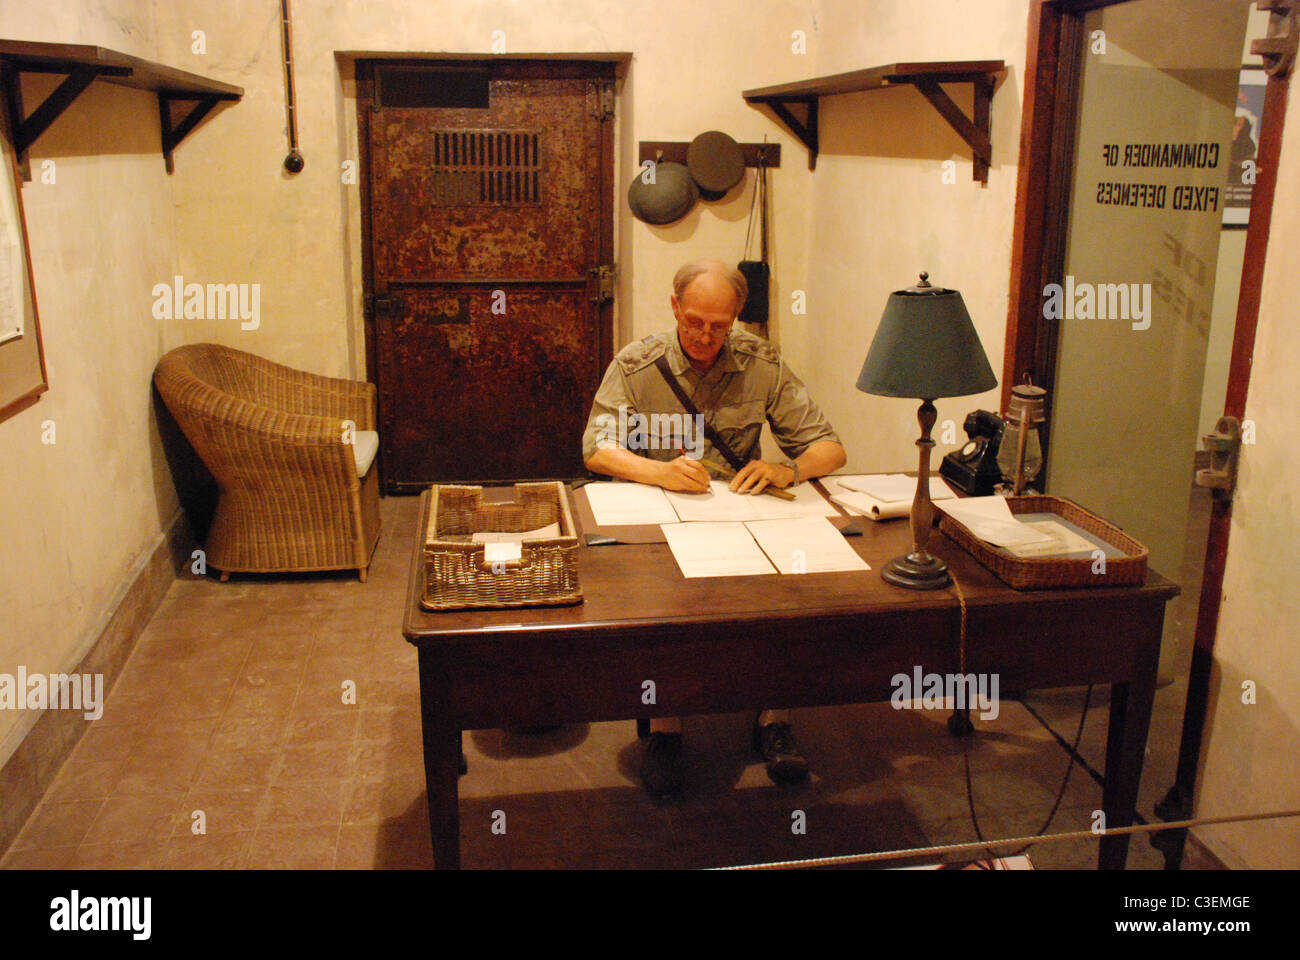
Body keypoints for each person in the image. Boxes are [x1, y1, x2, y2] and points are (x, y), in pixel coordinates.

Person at [580, 259, 847, 798]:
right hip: (662, 513)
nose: (705, 336)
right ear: (675, 307)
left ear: (736, 318)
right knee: (663, 611)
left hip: (743, 512)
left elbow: (831, 448)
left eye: (720, 325)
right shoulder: (637, 365)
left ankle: (774, 719)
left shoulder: (760, 362)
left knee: (785, 602)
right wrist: (658, 472)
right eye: (694, 322)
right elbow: (596, 448)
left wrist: (786, 468)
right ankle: (666, 729)